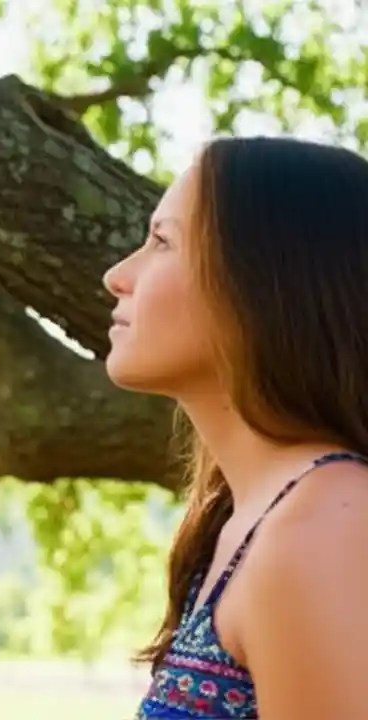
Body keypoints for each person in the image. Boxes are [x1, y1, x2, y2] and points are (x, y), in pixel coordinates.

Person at [102, 136, 368, 719]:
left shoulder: (327, 524)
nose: (117, 276)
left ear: (262, 281)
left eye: (161, 241)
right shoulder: (247, 519)